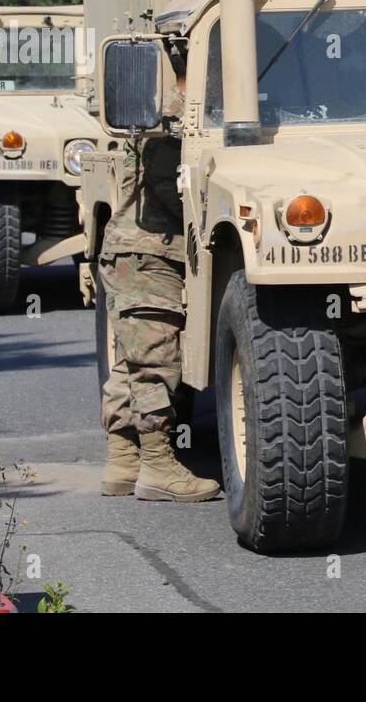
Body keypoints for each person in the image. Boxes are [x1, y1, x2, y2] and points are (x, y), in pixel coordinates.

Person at [98, 43, 219, 502]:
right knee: (154, 361)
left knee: (129, 361)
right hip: (151, 254)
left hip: (132, 253)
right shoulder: (176, 114)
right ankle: (158, 466)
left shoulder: (159, 106)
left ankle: (123, 460)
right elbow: (175, 191)